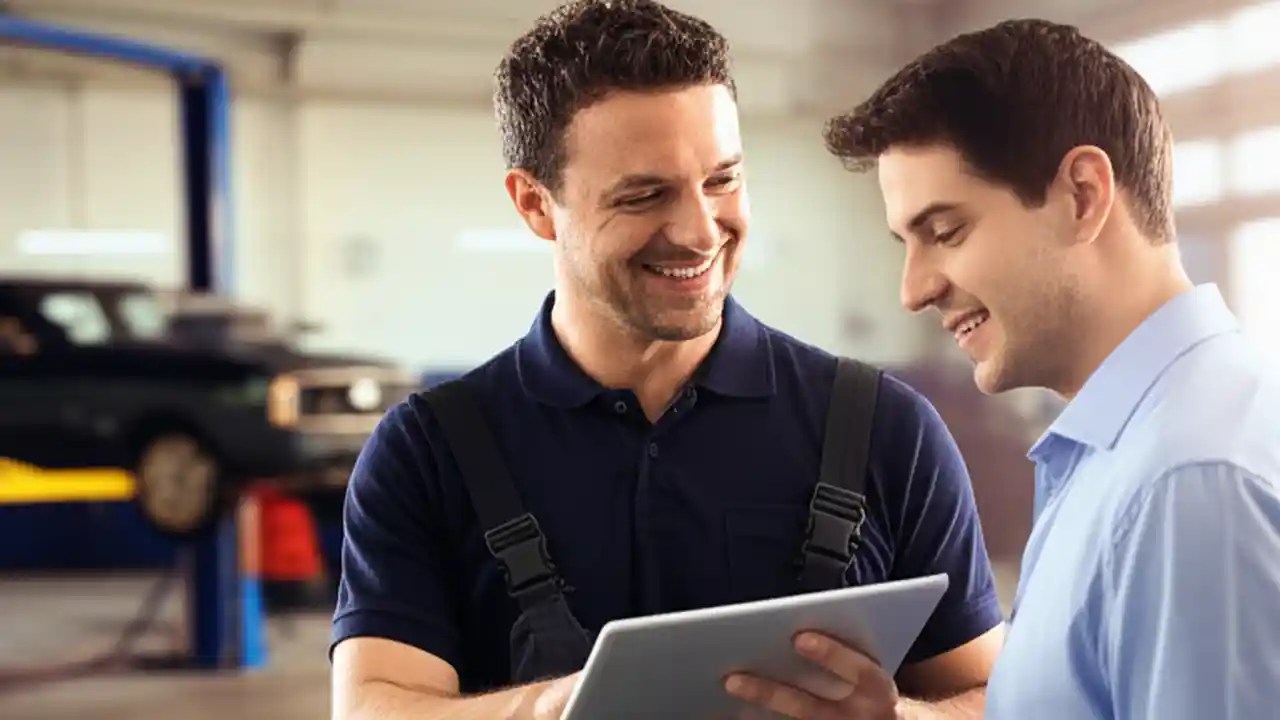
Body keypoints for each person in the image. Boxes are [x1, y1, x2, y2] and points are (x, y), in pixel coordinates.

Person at [330, 2, 1005, 718]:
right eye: (645, 195)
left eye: (722, 180)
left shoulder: (883, 429)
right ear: (534, 204)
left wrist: (905, 719)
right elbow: (375, 708)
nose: (697, 231)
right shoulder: (427, 451)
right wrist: (549, 710)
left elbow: (998, 698)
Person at [823, 17, 1280, 720]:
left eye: (946, 232)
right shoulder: (1124, 450)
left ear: (1083, 196)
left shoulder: (1187, 483)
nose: (913, 290)